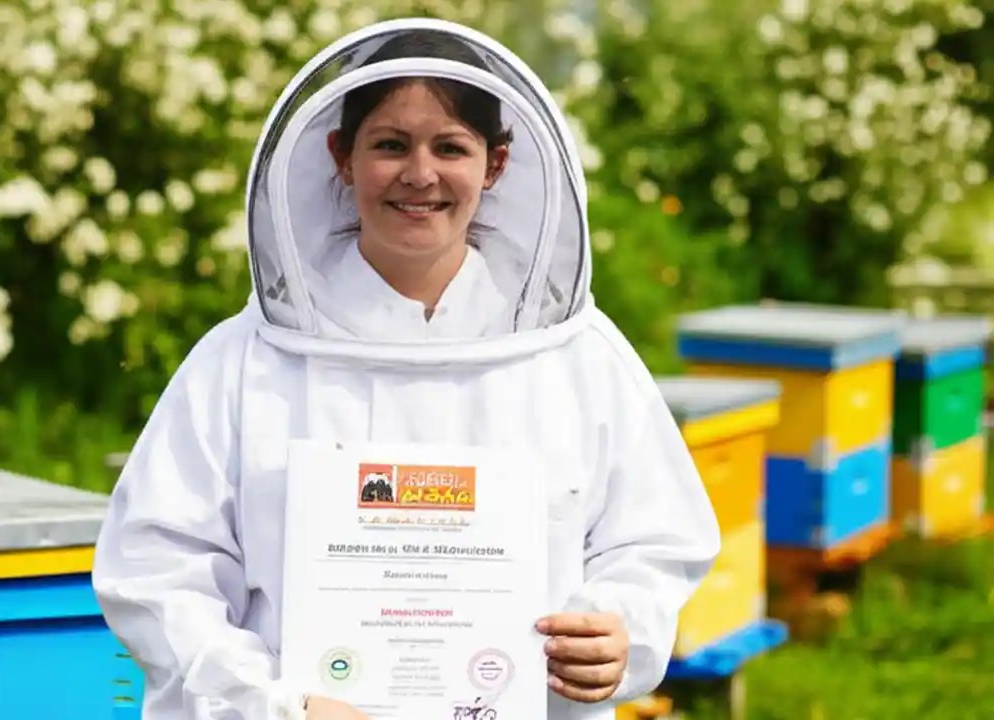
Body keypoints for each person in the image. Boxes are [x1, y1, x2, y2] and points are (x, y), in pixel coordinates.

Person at [93, 17, 720, 720]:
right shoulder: (244, 362)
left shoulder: (574, 358)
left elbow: (653, 543)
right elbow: (159, 571)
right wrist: (274, 705)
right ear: (342, 156)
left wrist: (619, 632)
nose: (420, 175)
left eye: (449, 147)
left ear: (496, 164)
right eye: (390, 145)